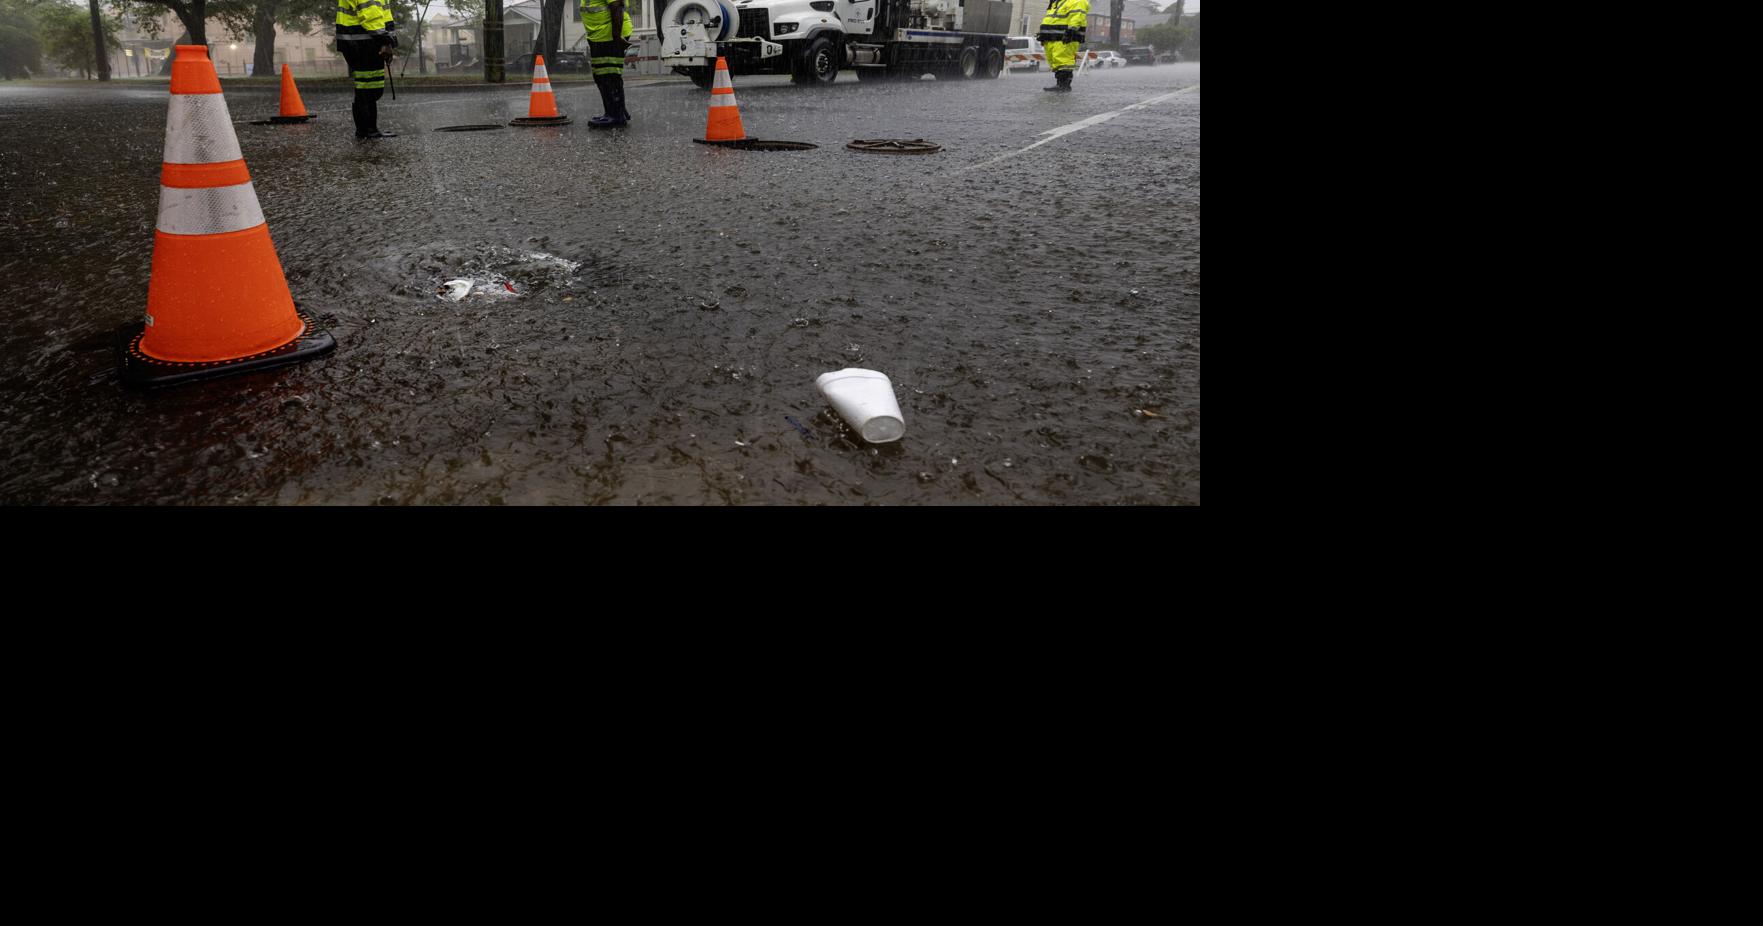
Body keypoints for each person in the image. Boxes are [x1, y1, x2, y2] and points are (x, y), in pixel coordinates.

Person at [335, 0, 398, 138]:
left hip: (360, 42)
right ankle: (367, 129)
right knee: (368, 88)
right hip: (364, 43)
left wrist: (389, 40)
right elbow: (371, 16)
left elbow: (380, 15)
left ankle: (367, 128)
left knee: (367, 86)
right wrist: (385, 41)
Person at [582, 0, 633, 127]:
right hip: (601, 36)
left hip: (608, 35)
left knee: (608, 75)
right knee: (602, 75)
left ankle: (615, 115)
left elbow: (617, 6)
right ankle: (616, 111)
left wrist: (616, 36)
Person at [1036, 0, 1089, 93]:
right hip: (1053, 36)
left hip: (1065, 36)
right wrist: (1044, 33)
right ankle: (1060, 83)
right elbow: (1052, 19)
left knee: (1063, 60)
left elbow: (1077, 16)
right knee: (1055, 60)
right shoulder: (1057, 2)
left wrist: (1072, 29)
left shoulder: (1076, 1)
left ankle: (1064, 85)